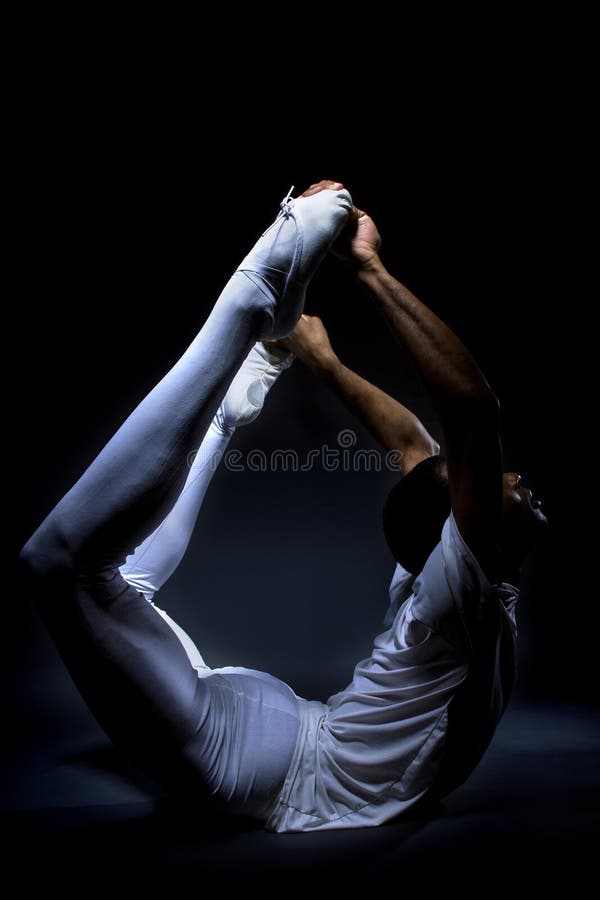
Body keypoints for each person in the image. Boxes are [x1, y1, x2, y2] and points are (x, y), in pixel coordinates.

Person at [20, 180, 547, 833]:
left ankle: (242, 344)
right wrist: (322, 360)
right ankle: (242, 347)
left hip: (265, 752)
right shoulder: (457, 580)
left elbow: (463, 428)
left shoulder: (459, 582)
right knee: (82, 573)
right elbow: (431, 439)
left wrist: (370, 270)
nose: (515, 476)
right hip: (271, 745)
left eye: (495, 480)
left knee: (83, 574)